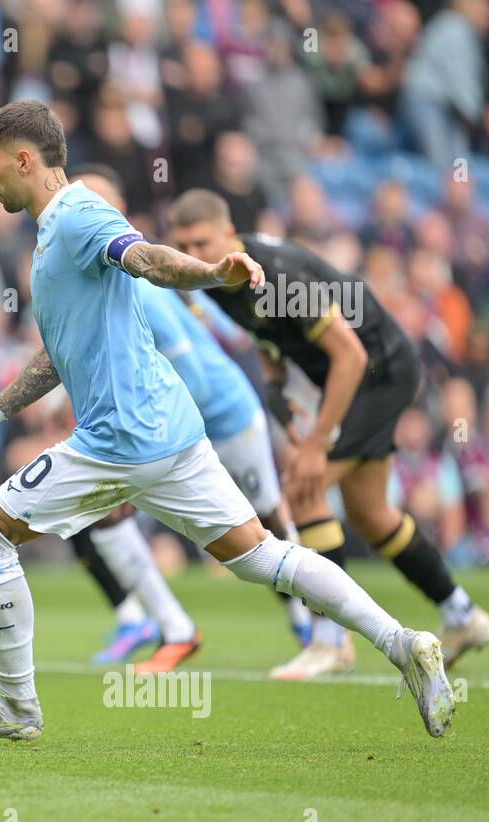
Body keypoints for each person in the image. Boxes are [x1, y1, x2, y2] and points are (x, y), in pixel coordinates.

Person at [0, 101, 453, 741]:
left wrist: (211, 273)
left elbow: (147, 259)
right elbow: (58, 356)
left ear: (24, 159)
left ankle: (16, 705)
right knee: (261, 555)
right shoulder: (53, 231)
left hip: (118, 439)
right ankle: (403, 642)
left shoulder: (79, 214)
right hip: (171, 432)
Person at [166, 187, 489, 669]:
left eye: (201, 242)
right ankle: (462, 613)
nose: (193, 253)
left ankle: (332, 641)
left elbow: (351, 355)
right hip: (363, 375)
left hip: (378, 371)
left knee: (305, 488)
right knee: (370, 514)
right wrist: (276, 385)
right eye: (183, 245)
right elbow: (267, 333)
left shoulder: (279, 276)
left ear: (229, 232)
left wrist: (316, 444)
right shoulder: (217, 279)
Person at [68, 164, 327, 678]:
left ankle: (310, 623)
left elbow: (195, 374)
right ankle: (168, 628)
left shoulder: (138, 286)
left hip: (223, 418)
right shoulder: (101, 282)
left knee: (264, 524)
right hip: (165, 427)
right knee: (100, 512)